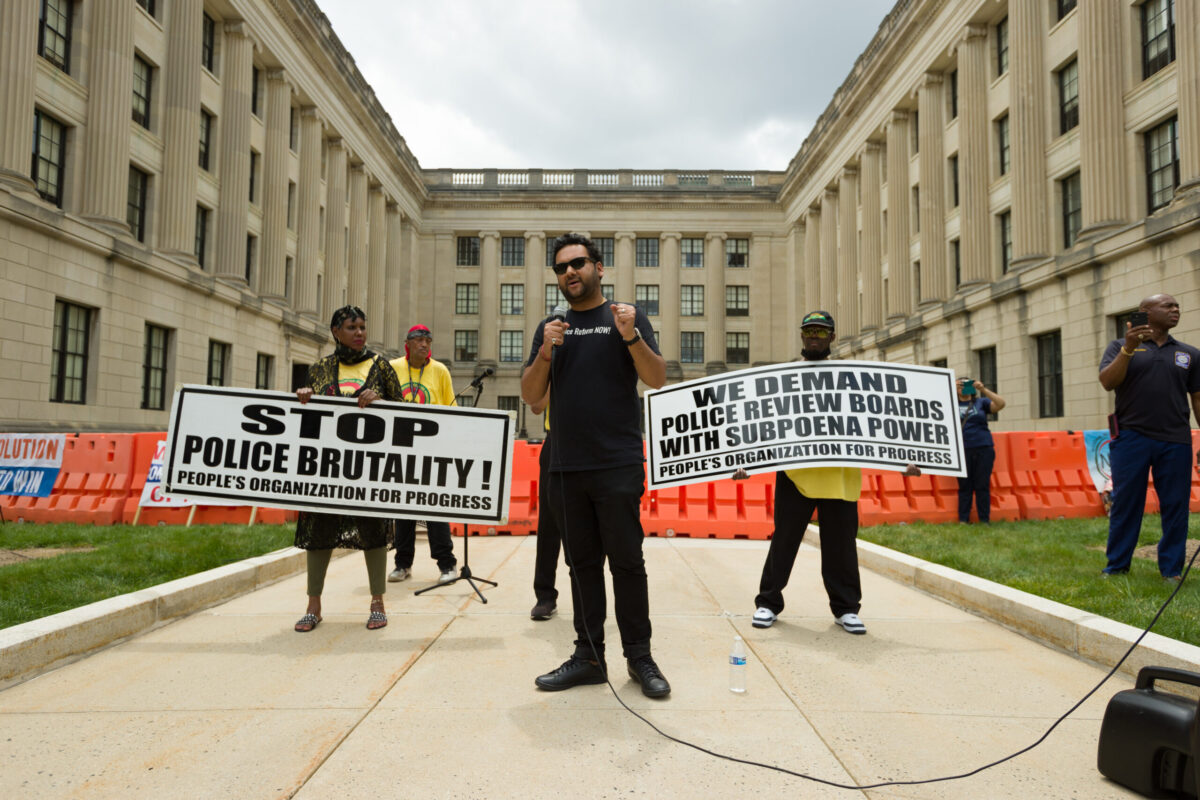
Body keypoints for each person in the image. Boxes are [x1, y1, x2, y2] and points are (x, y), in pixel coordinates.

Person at [521, 233, 670, 697]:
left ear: (599, 268)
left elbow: (657, 377)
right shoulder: (552, 328)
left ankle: (640, 657)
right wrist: (547, 350)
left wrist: (631, 338)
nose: (570, 272)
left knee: (627, 562)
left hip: (617, 462)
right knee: (581, 564)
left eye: (578, 263)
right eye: (562, 267)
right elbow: (531, 398)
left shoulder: (625, 317)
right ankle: (588, 655)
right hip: (565, 466)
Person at [745, 310, 920, 635]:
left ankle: (846, 609)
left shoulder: (852, 377)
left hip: (840, 477)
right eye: (809, 330)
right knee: (784, 542)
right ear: (801, 336)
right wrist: (747, 461)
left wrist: (902, 461)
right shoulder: (784, 378)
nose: (815, 336)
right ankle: (768, 602)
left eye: (822, 332)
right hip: (797, 475)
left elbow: (877, 423)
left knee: (841, 546)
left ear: (832, 338)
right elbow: (766, 424)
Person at [293, 305, 405, 632]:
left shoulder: (381, 367)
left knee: (373, 533)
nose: (359, 333)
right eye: (352, 327)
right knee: (319, 534)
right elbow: (305, 419)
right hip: (327, 471)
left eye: (362, 327)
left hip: (368, 471)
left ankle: (377, 602)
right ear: (336, 332)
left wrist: (382, 402)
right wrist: (303, 396)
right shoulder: (320, 369)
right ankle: (313, 605)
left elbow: (404, 415)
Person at [1098, 293, 1200, 581]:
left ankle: (1171, 570)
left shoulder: (1189, 353)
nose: (1175, 310)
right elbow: (1108, 382)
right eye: (1168, 306)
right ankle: (1116, 566)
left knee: (1176, 506)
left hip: (1176, 440)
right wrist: (1129, 348)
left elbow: (1198, 399)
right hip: (1131, 438)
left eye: (1177, 305)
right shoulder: (1119, 346)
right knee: (1127, 503)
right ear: (1145, 312)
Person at [388, 324, 459, 585]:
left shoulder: (440, 370)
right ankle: (402, 564)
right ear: (407, 343)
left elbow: (451, 407)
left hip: (433, 451)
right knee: (403, 511)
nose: (424, 345)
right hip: (402, 450)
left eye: (428, 340)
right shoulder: (393, 367)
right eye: (419, 340)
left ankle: (447, 564)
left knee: (435, 510)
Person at [955, 377, 1006, 523]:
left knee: (982, 485)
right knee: (965, 486)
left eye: (966, 384)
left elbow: (1001, 404)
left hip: (983, 447)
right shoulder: (951, 404)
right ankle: (963, 519)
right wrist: (950, 387)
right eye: (960, 385)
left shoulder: (981, 403)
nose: (963, 388)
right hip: (962, 449)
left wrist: (983, 389)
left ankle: (984, 519)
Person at [529, 388, 561, 621]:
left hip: (593, 441)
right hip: (557, 440)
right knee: (549, 524)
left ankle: (585, 594)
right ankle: (545, 596)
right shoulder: (554, 353)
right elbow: (536, 405)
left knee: (587, 525)